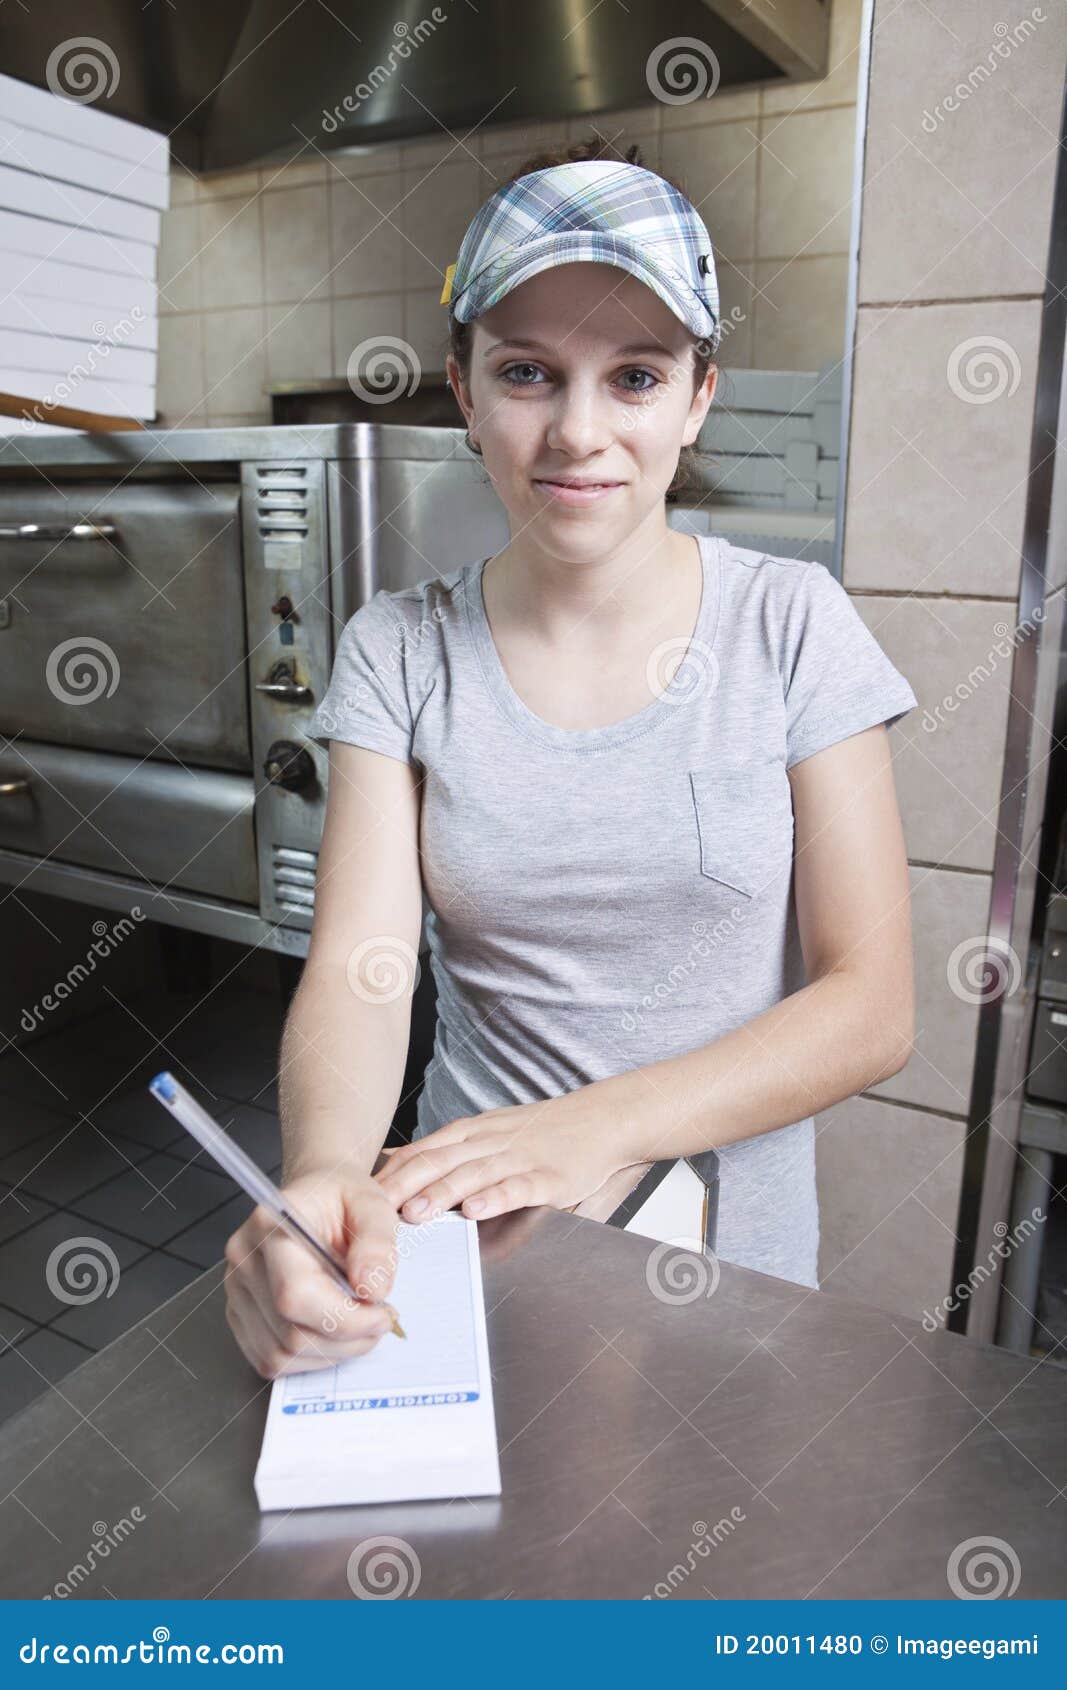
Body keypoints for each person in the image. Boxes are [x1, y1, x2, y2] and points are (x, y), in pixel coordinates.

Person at [223, 138, 918, 1381]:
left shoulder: (793, 626)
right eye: (529, 373)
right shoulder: (401, 649)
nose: (577, 432)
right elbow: (364, 971)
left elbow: (868, 1001)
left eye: (635, 375)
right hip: (465, 1266)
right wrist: (327, 1168)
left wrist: (587, 1132)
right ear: (463, 389)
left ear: (698, 395)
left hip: (725, 1280)